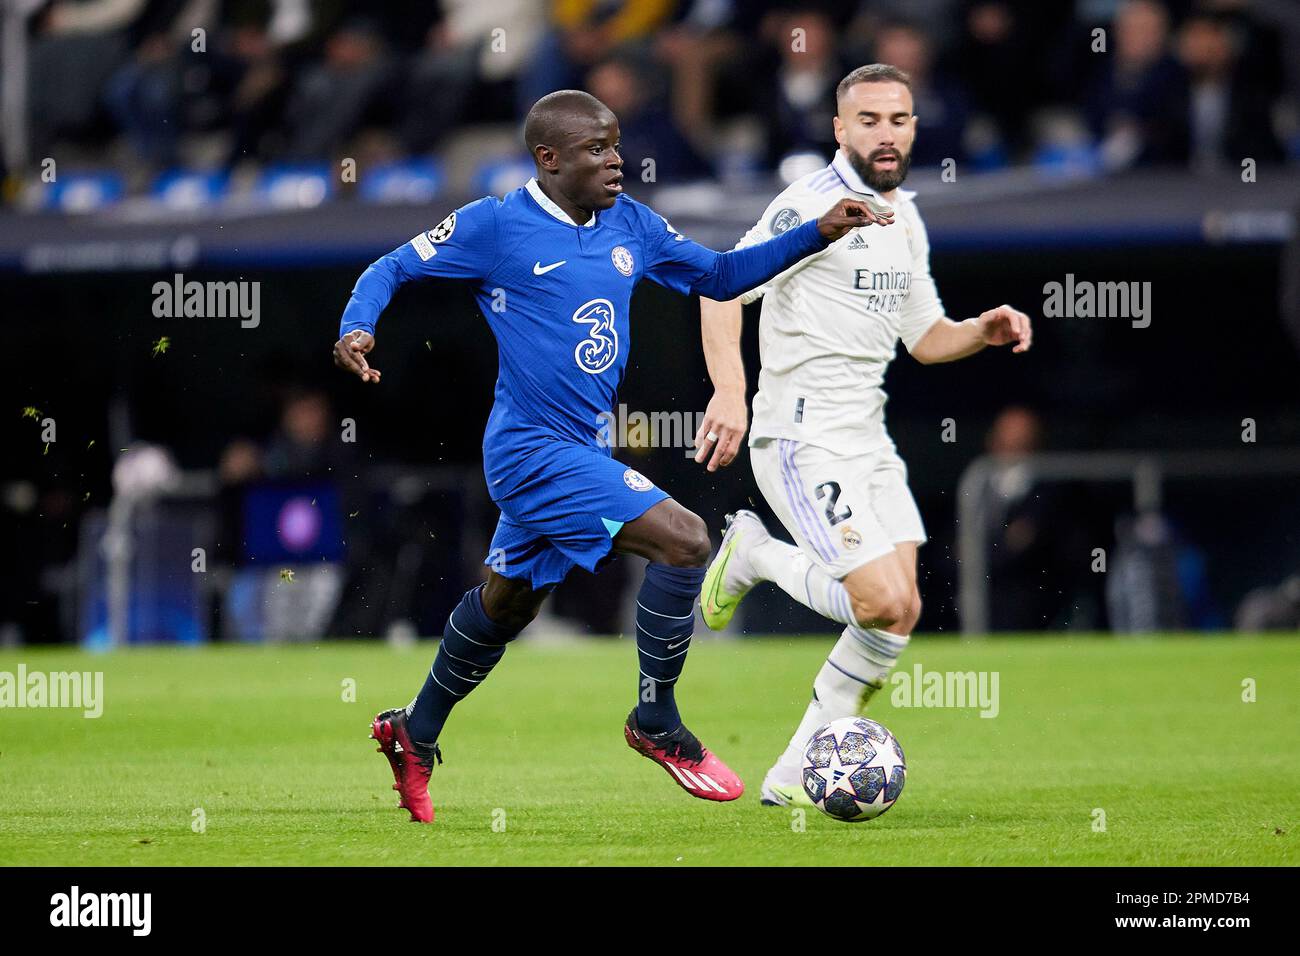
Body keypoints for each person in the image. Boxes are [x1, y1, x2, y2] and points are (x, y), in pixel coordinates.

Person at [332, 89, 889, 823]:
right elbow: (391, 268)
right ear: (550, 159)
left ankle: (414, 730)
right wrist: (357, 327)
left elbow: (720, 277)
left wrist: (818, 231)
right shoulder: (497, 225)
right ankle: (655, 720)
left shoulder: (633, 223)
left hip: (583, 445)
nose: (617, 160)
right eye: (597, 149)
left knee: (507, 605)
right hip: (530, 450)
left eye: (617, 144)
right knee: (688, 541)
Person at [693, 64, 1033, 806]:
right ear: (840, 129)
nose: (887, 133)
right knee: (878, 601)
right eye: (870, 120)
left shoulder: (904, 214)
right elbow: (719, 286)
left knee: (901, 612)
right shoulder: (809, 208)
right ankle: (751, 554)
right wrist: (730, 391)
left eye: (900, 119)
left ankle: (789, 776)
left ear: (915, 127)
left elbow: (926, 338)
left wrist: (983, 329)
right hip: (802, 436)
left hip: (869, 440)